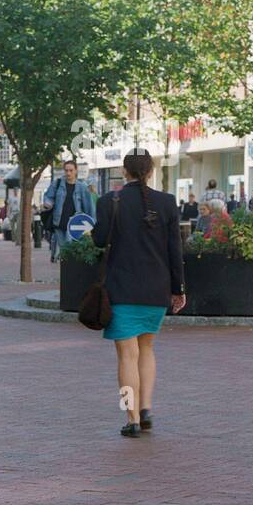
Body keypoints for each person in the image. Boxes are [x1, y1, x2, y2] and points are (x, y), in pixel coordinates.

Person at [90, 149, 185, 439]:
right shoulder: (167, 202)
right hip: (156, 289)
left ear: (125, 171)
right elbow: (175, 249)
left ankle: (131, 419)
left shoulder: (110, 201)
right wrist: (178, 289)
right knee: (147, 350)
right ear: (150, 171)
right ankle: (145, 409)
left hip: (121, 288)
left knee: (126, 357)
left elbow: (98, 240)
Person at [42, 160, 95, 262]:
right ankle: (66, 273)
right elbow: (48, 197)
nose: (68, 173)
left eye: (71, 170)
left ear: (76, 171)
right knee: (64, 252)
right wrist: (47, 203)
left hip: (74, 225)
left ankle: (70, 273)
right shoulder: (57, 184)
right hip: (59, 223)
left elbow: (89, 207)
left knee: (70, 250)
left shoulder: (82, 187)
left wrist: (93, 225)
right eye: (66, 170)